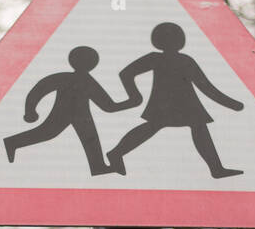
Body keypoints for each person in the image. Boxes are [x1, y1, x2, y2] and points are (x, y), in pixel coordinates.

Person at [105, 22, 245, 178]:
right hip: (168, 103)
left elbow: (205, 86)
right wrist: (134, 95)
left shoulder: (181, 60)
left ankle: (216, 169)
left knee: (195, 127)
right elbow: (126, 73)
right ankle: (115, 153)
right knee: (162, 127)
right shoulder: (162, 59)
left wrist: (231, 103)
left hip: (184, 103)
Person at [3, 46, 137, 176]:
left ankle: (98, 166)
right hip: (64, 114)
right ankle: (12, 142)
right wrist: (30, 111)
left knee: (90, 139)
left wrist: (131, 103)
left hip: (82, 116)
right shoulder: (74, 79)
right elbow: (40, 89)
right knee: (47, 133)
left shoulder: (79, 79)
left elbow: (107, 106)